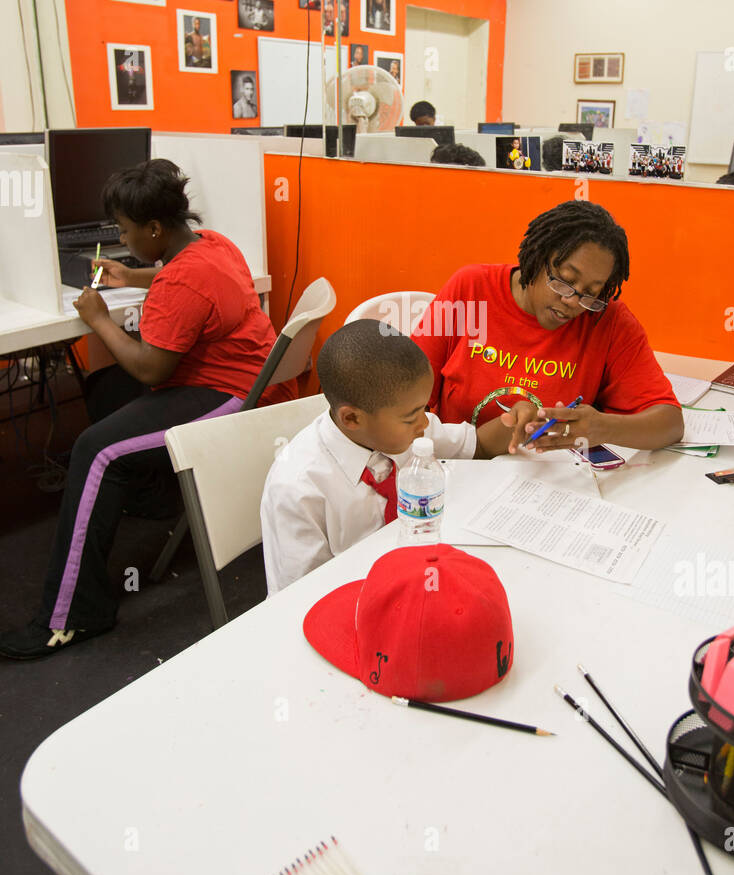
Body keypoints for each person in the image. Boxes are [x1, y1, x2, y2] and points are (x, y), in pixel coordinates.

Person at [0, 160, 289, 660]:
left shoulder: (182, 283)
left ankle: (71, 616)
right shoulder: (213, 245)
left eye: (125, 231)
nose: (120, 237)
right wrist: (132, 274)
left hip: (229, 398)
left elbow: (152, 369)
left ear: (154, 229)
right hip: (254, 380)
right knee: (104, 389)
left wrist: (98, 320)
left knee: (96, 451)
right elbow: (179, 281)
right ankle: (154, 498)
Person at [260, 321, 536, 594]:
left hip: (415, 582)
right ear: (352, 418)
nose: (423, 424)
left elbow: (479, 446)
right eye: (411, 416)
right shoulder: (298, 489)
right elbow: (301, 599)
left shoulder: (400, 430)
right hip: (344, 602)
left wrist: (518, 421)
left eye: (423, 409)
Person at [411, 201, 684, 451]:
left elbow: (670, 423)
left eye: (591, 293)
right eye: (564, 280)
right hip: (456, 469)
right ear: (536, 258)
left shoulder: (607, 320)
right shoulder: (471, 289)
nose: (572, 301)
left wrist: (601, 427)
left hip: (549, 485)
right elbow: (401, 400)